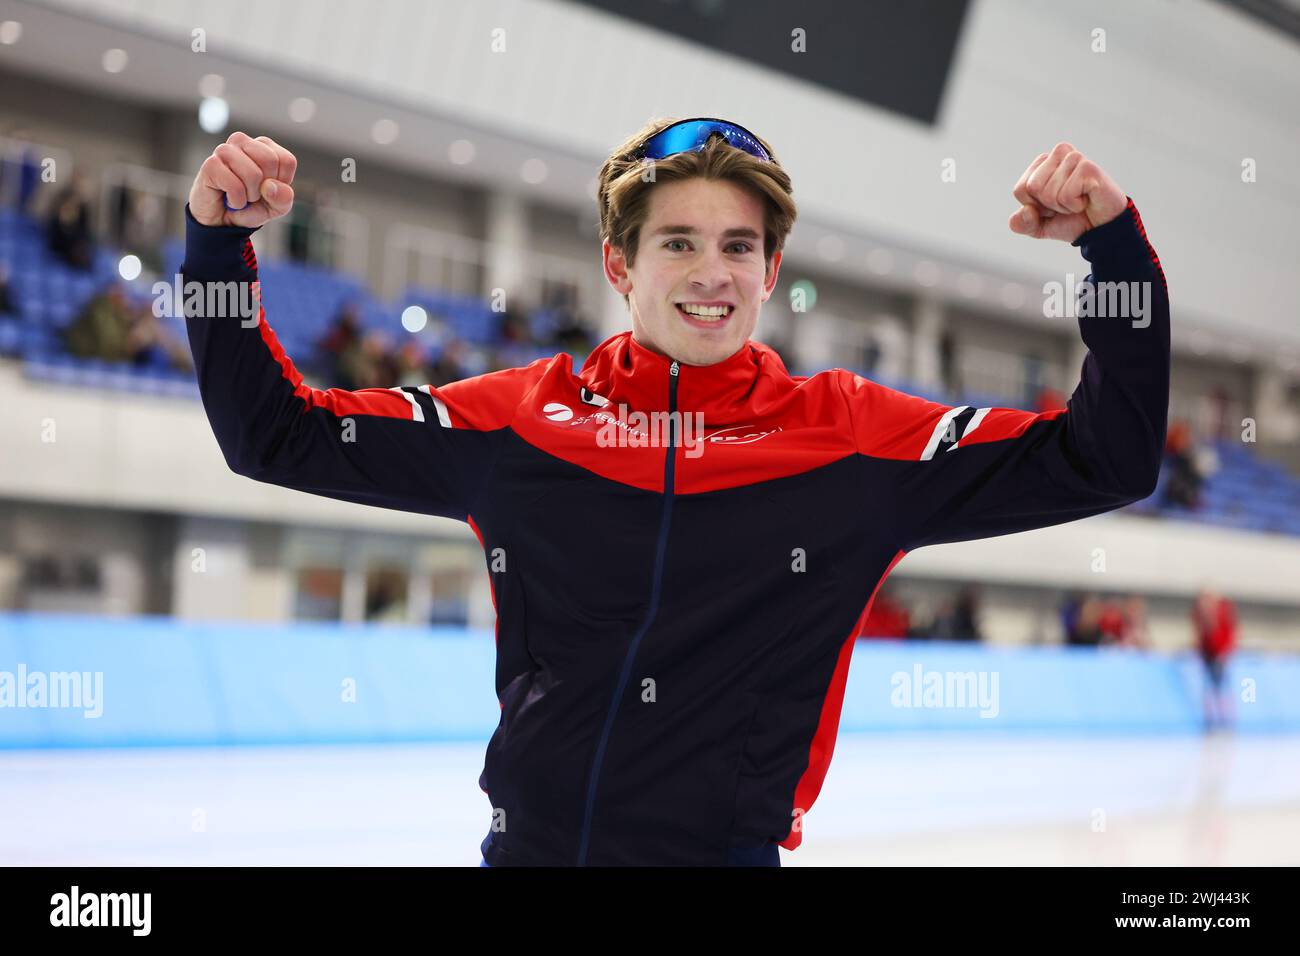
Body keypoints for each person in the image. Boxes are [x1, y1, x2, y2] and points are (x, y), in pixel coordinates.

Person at [180, 123, 1169, 866]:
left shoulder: (855, 435)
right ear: (620, 264)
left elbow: (1107, 457)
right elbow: (275, 435)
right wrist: (218, 250)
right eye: (678, 242)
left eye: (738, 246)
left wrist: (1113, 250)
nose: (711, 273)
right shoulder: (522, 417)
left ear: (771, 269)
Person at [1193, 588, 1237, 732]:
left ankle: (1225, 720)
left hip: (1219, 656)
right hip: (1209, 656)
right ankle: (1212, 720)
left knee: (1220, 688)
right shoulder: (1202, 616)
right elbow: (1203, 639)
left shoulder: (1221, 614)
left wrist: (1224, 653)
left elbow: (1225, 636)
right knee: (1209, 689)